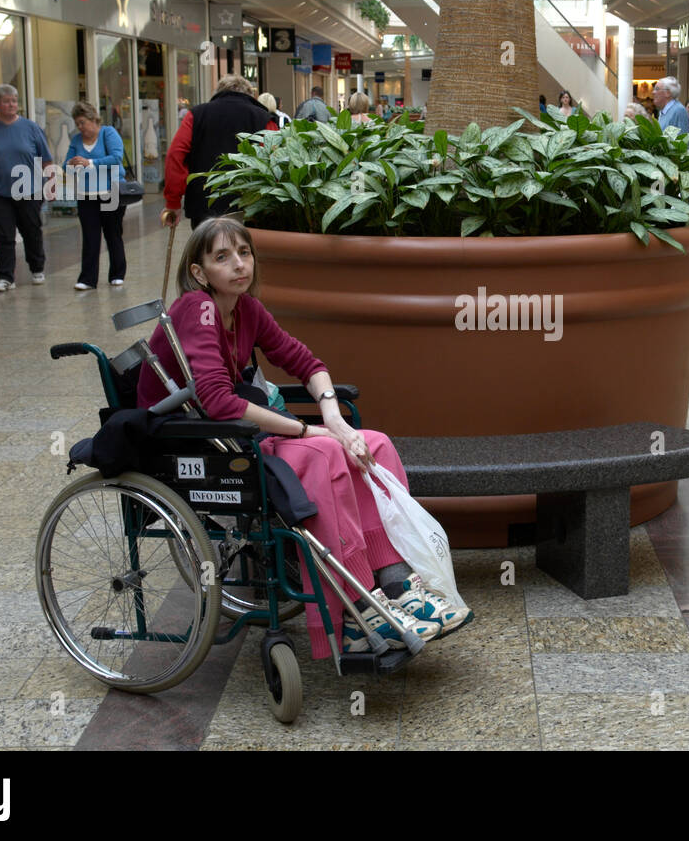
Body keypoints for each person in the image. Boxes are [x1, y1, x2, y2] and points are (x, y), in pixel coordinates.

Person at [136, 217, 472, 657]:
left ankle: (394, 582)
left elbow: (307, 363)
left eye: (244, 252)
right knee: (324, 455)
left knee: (376, 445)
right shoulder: (197, 308)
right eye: (222, 257)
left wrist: (336, 422)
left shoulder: (246, 308)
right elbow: (216, 400)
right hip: (197, 440)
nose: (239, 264)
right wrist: (307, 429)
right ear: (199, 272)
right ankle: (352, 611)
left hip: (240, 432)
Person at [0, 83, 53, 292]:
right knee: (4, 233)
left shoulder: (31, 128)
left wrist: (51, 185)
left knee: (31, 230)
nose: (11, 105)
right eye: (6, 101)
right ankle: (6, 276)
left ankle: (37, 268)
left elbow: (46, 160)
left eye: (14, 101)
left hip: (28, 187)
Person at [163, 75, 275, 231]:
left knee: (207, 251)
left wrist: (173, 202)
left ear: (218, 92)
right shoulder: (264, 118)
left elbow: (175, 155)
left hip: (203, 205)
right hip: (249, 207)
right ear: (250, 94)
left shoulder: (196, 115)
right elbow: (273, 161)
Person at [65, 101, 127, 291]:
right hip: (86, 195)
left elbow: (116, 158)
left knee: (112, 233)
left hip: (110, 192)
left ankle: (117, 273)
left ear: (93, 119)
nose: (81, 127)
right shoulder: (76, 141)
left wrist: (89, 163)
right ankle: (88, 278)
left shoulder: (108, 133)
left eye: (83, 122)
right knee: (90, 237)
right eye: (78, 124)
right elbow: (66, 164)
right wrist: (72, 164)